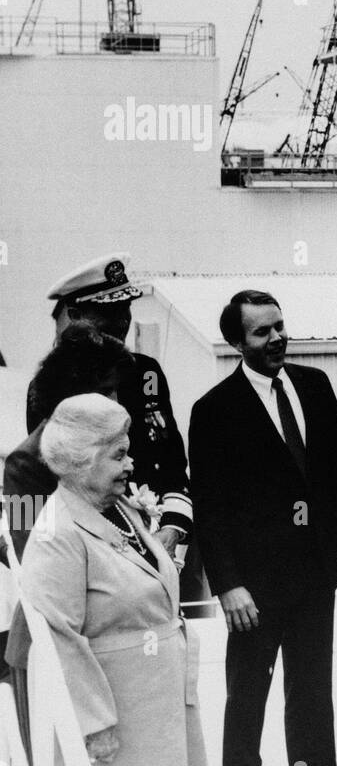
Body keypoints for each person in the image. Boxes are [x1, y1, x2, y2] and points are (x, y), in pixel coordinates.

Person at [18, 394, 219, 766]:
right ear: (81, 461)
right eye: (118, 455)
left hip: (160, 711)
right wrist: (94, 721)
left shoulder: (122, 509)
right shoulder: (56, 531)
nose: (131, 465)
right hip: (117, 722)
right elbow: (56, 635)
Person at [189, 290, 337, 766]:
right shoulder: (214, 409)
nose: (276, 340)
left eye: (280, 328)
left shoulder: (313, 387)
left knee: (313, 694)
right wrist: (228, 584)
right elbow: (209, 508)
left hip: (315, 577)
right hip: (254, 590)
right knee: (247, 700)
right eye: (262, 333)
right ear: (238, 342)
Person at [33, 254, 202, 612]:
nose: (121, 321)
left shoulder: (146, 375)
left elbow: (172, 463)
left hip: (159, 544)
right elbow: (36, 490)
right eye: (108, 312)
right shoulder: (49, 389)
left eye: (125, 310)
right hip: (92, 561)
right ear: (75, 316)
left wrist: (171, 530)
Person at [1, 324, 135, 766]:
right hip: (57, 647)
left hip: (111, 642)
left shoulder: (108, 452)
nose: (115, 403)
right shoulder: (27, 462)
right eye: (106, 391)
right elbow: (32, 556)